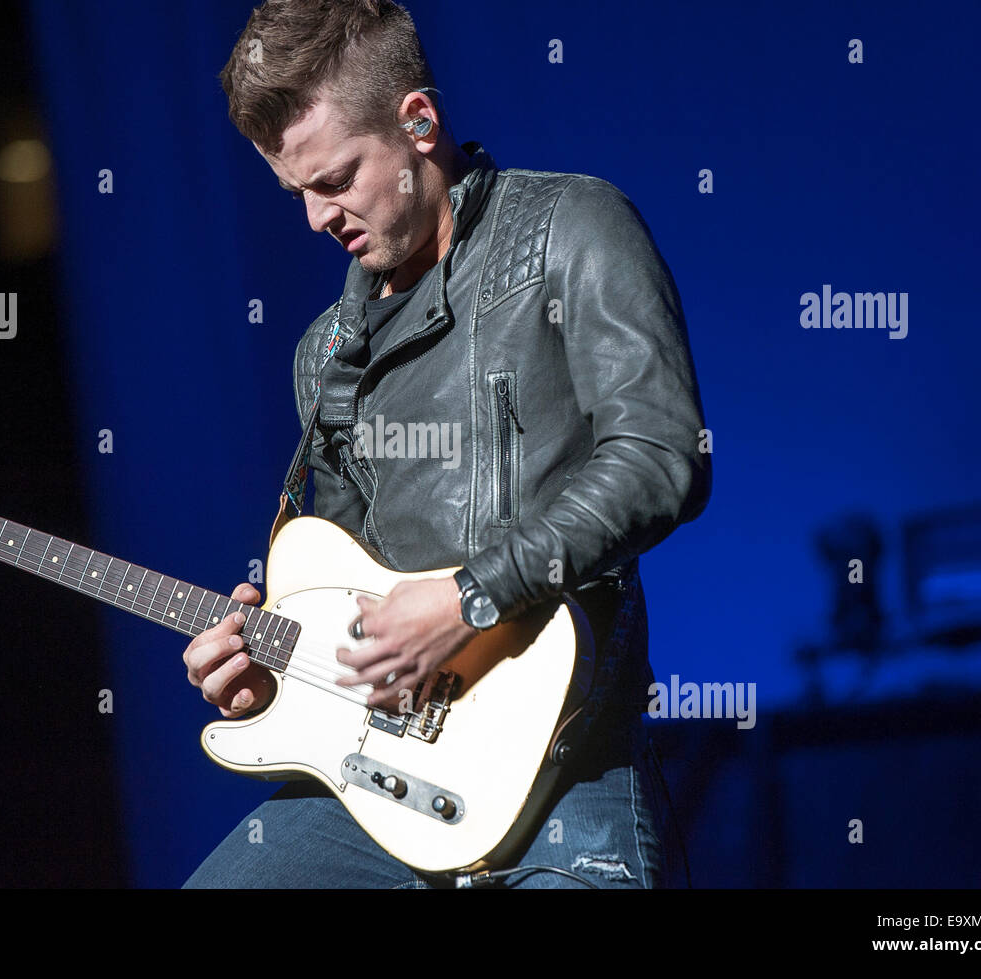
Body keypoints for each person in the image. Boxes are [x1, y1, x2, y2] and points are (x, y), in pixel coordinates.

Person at [183, 0, 711, 889]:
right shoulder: (325, 353)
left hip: (572, 772)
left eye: (336, 179)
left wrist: (471, 596)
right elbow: (351, 600)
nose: (317, 218)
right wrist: (272, 682)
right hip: (384, 787)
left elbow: (664, 456)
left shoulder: (572, 228)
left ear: (419, 123)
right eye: (297, 193)